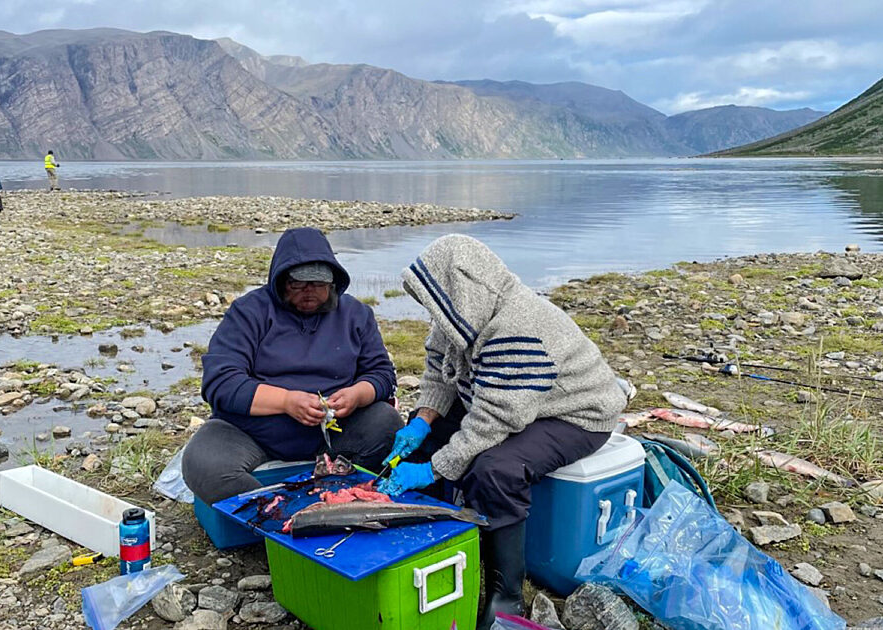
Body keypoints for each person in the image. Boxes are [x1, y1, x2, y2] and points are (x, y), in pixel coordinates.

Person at [377, 234, 627, 627]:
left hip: (574, 413)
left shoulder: (519, 328)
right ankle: (432, 541)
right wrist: (423, 422)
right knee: (428, 442)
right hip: (509, 400)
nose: (430, 308)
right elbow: (438, 371)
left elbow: (493, 421)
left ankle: (506, 591)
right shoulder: (456, 317)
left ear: (461, 288)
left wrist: (434, 468)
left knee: (495, 470)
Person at [183, 227, 402, 505]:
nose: (309, 292)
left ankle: (336, 493)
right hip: (250, 433)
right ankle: (273, 512)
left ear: (333, 282)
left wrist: (358, 394)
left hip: (334, 434)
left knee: (387, 423)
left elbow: (382, 374)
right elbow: (220, 382)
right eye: (298, 284)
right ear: (281, 280)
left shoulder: (356, 315)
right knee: (202, 463)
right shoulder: (249, 312)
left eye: (318, 283)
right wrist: (286, 401)